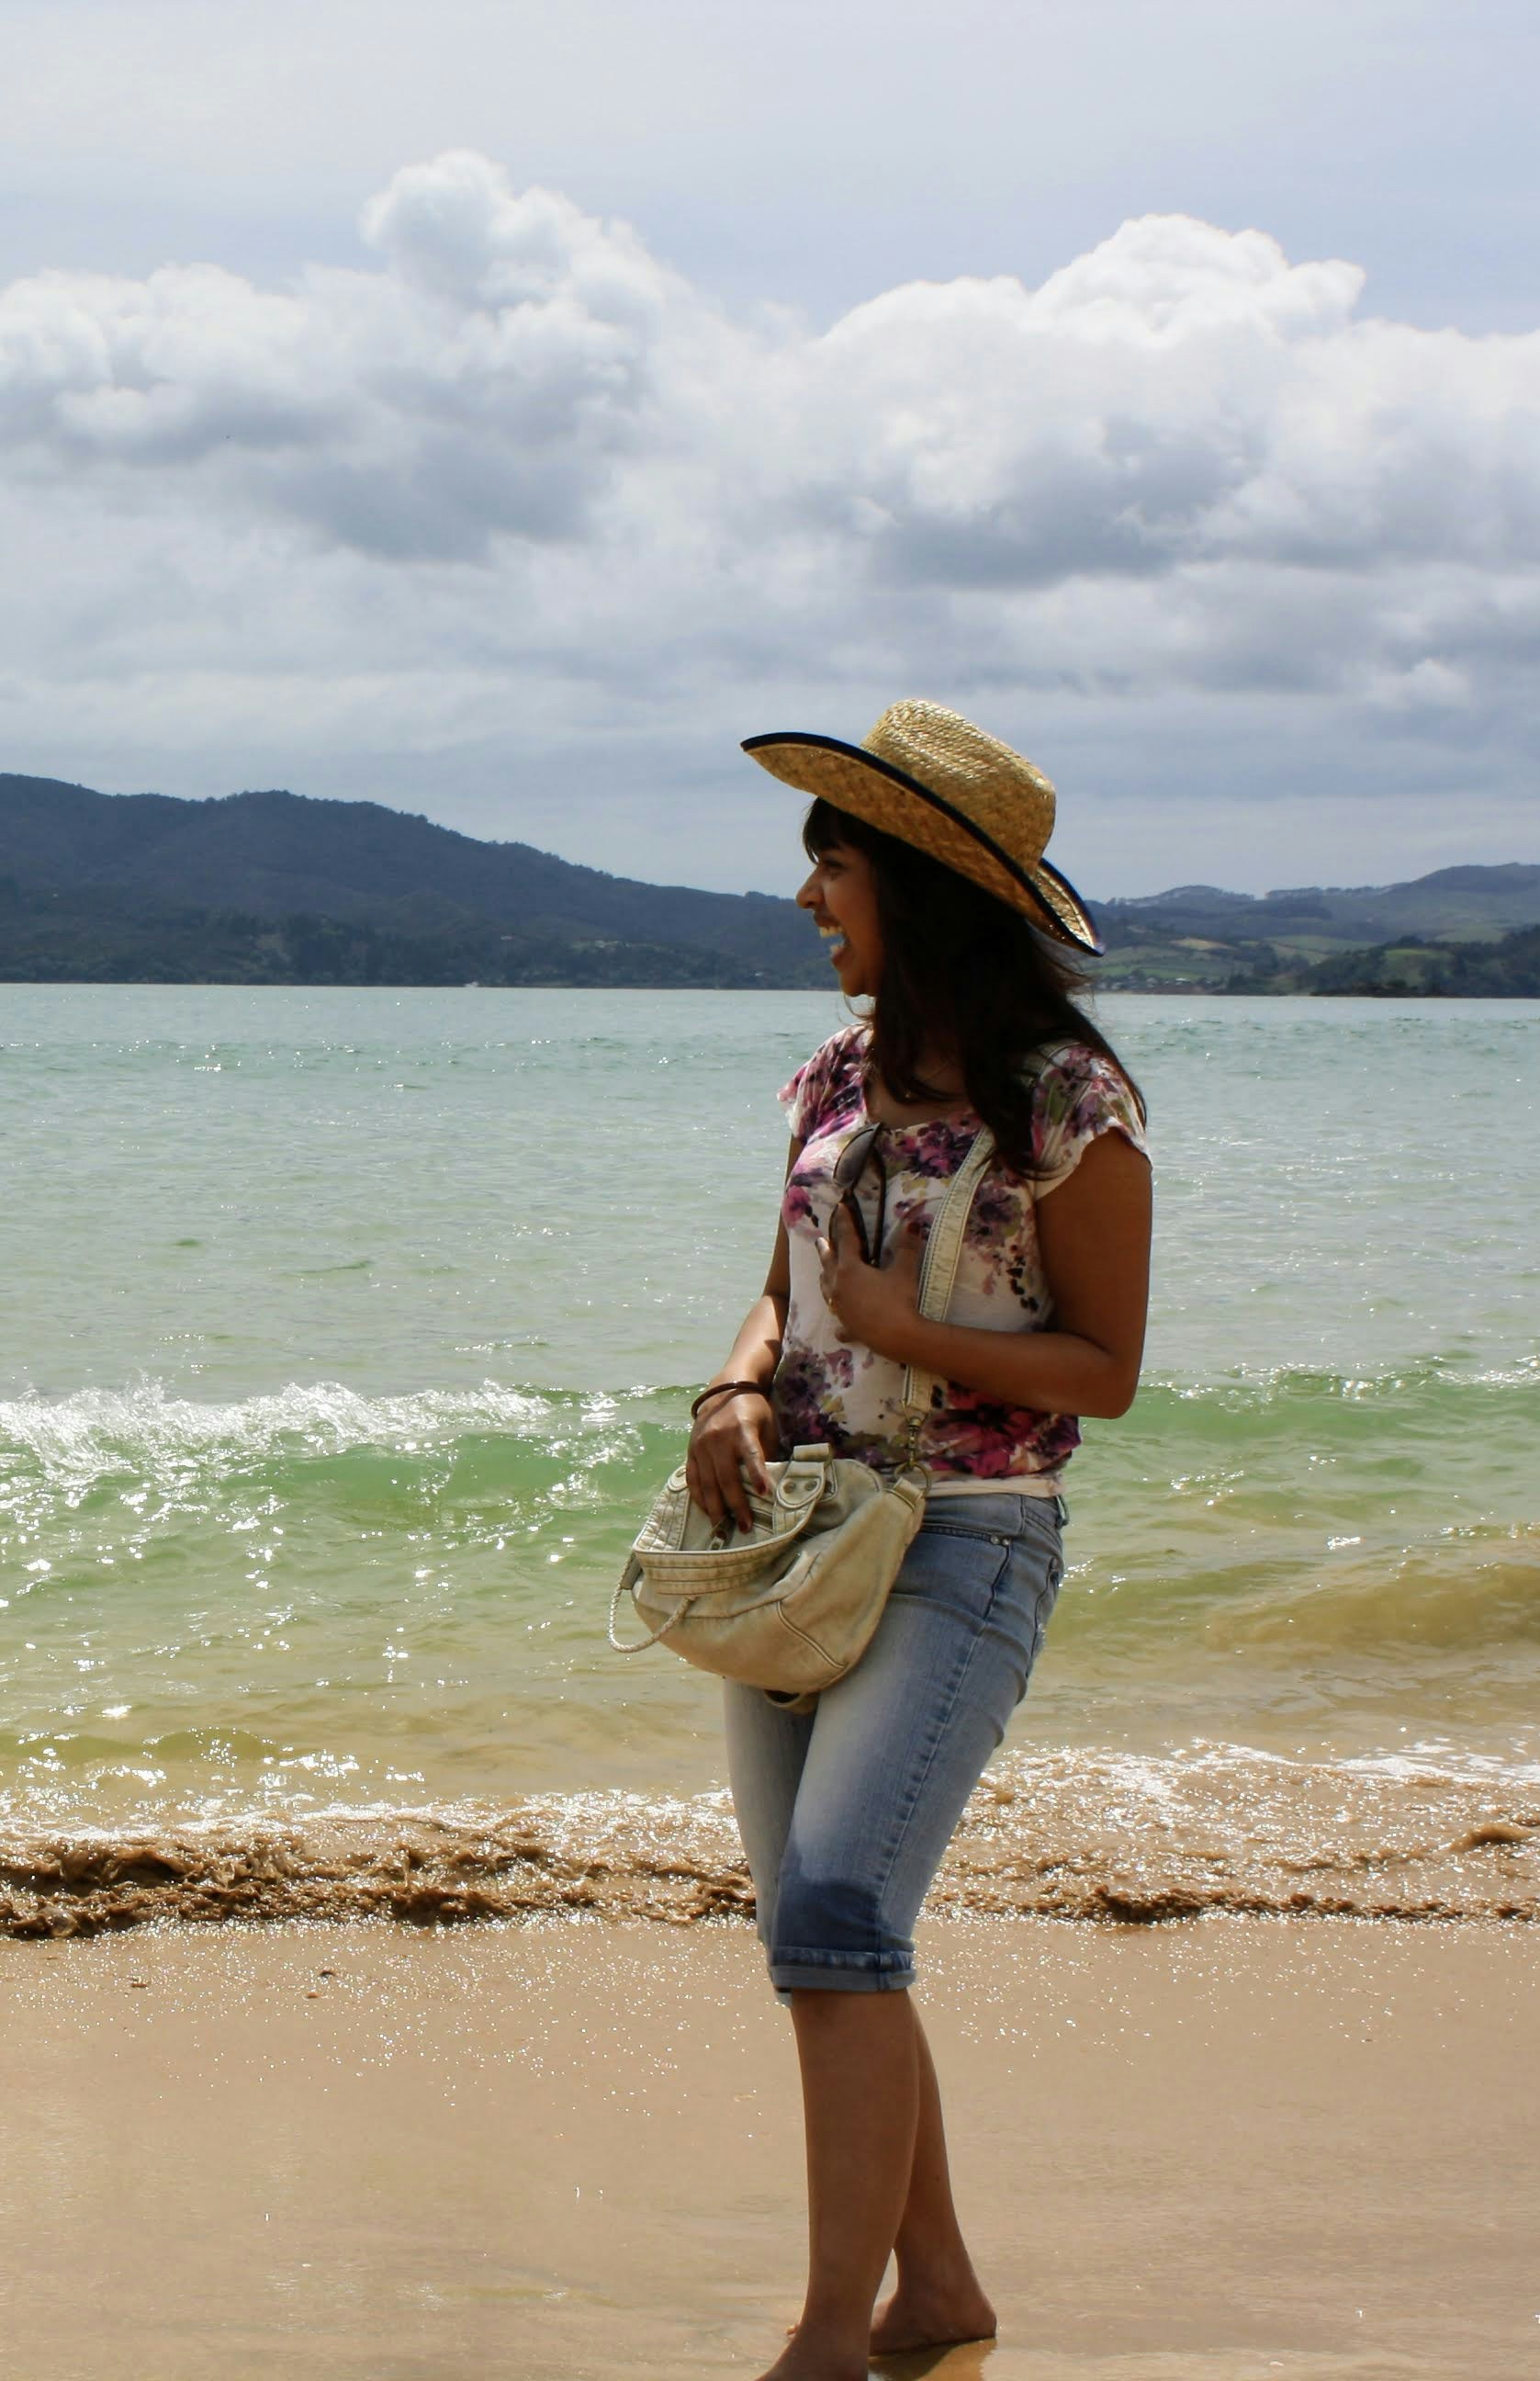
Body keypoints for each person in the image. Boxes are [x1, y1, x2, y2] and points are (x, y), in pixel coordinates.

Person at [684, 700, 1152, 2381]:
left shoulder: (1065, 1099)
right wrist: (727, 1394)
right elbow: (779, 1286)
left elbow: (1106, 1370)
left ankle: (824, 2338)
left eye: (834, 861)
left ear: (920, 888)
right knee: (828, 1938)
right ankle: (935, 2287)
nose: (811, 896)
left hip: (968, 1541)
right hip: (794, 1533)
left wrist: (908, 1327)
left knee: (833, 1919)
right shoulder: (827, 1074)